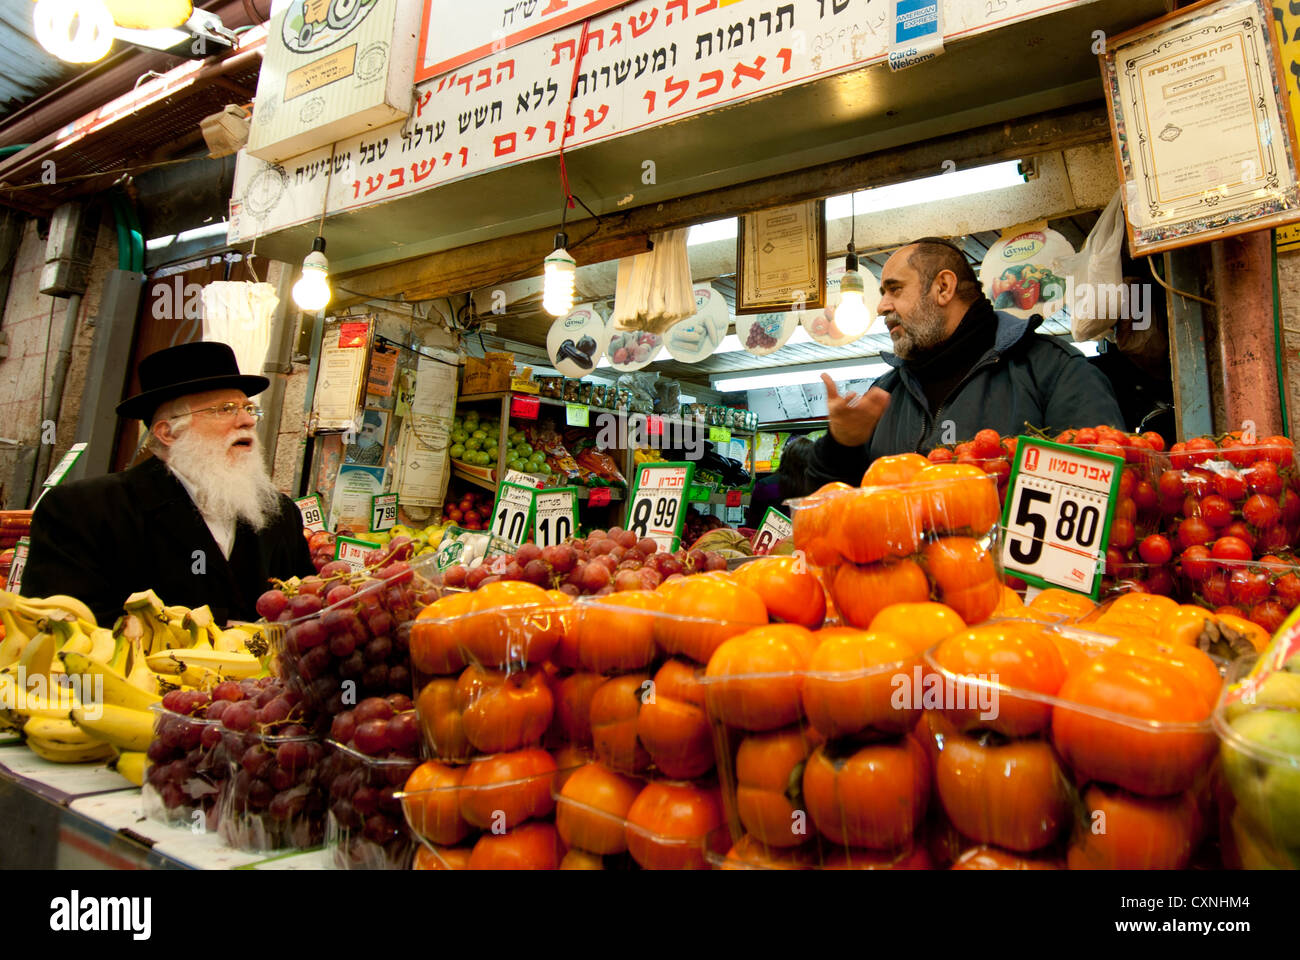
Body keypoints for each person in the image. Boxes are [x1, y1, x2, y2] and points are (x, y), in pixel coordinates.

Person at [23, 342, 315, 625]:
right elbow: (60, 625)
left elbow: (305, 612)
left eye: (249, 409)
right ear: (168, 432)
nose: (247, 421)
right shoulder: (84, 510)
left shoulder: (280, 513)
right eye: (225, 409)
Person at [808, 237, 1124, 487]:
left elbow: (1103, 494)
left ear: (943, 288)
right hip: (903, 572)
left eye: (895, 289)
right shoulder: (884, 395)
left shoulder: (1055, 372)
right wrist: (841, 446)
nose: (881, 307)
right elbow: (832, 517)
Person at [746, 436, 816, 528]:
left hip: (769, 539)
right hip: (806, 538)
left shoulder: (765, 485)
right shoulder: (816, 488)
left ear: (784, 458)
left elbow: (752, 523)